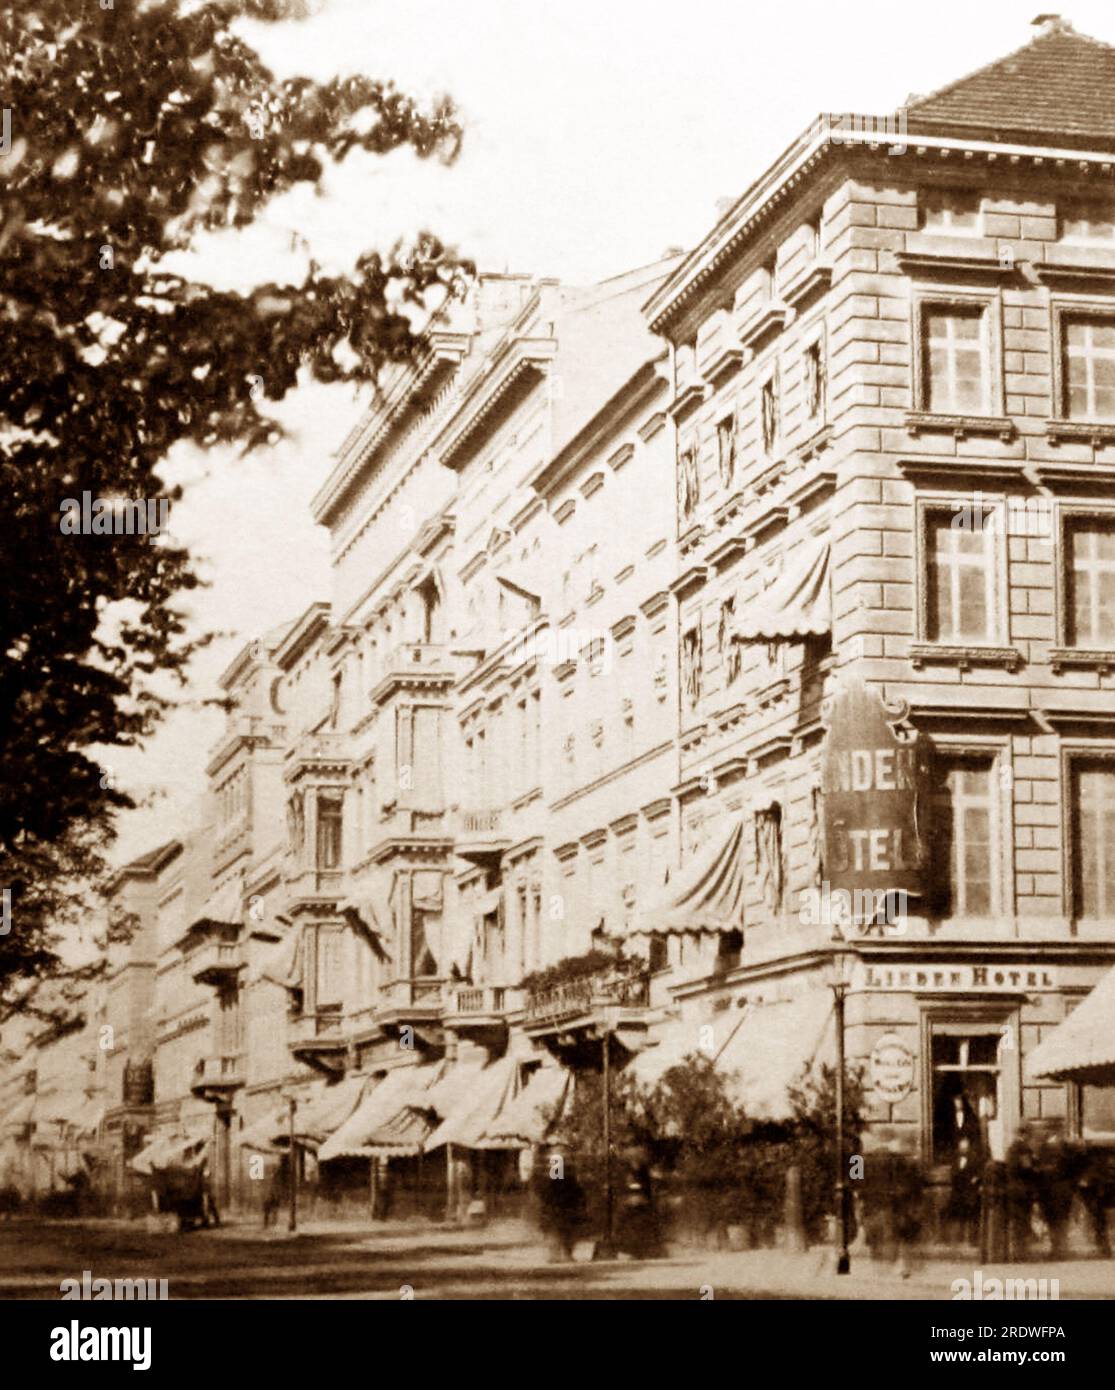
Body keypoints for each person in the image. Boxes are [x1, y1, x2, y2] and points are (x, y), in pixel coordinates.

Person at [944, 1135, 982, 1248]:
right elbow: (953, 1172)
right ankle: (956, 1241)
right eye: (962, 1147)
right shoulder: (955, 1158)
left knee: (972, 1217)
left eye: (966, 1147)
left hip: (970, 1192)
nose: (964, 1149)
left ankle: (972, 1241)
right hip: (958, 1192)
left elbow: (980, 1172)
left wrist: (976, 1178)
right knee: (956, 1217)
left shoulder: (974, 1158)